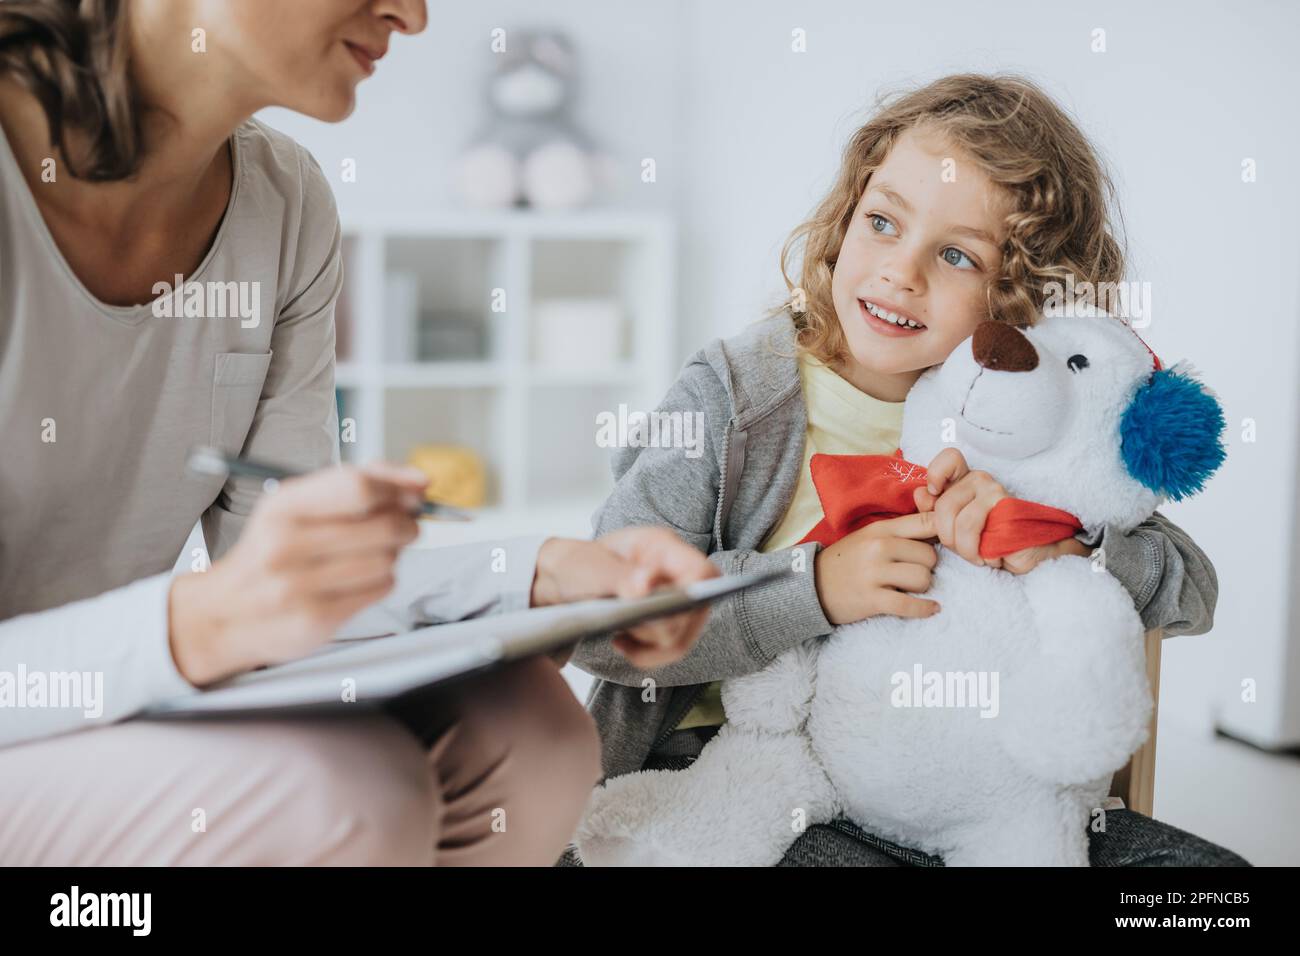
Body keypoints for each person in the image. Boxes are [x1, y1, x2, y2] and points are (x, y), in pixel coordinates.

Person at [0, 0, 716, 865]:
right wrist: (198, 627)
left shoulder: (287, 202)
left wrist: (540, 572)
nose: (410, 15)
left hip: (110, 689)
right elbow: (224, 613)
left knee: (532, 736)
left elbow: (282, 580)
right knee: (345, 794)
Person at [569, 74, 1248, 866]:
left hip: (986, 796)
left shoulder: (1022, 419)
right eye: (883, 222)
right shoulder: (734, 400)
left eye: (957, 254)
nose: (900, 271)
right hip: (734, 782)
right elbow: (603, 621)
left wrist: (1074, 555)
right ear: (845, 216)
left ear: (1022, 297)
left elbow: (1192, 590)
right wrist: (814, 587)